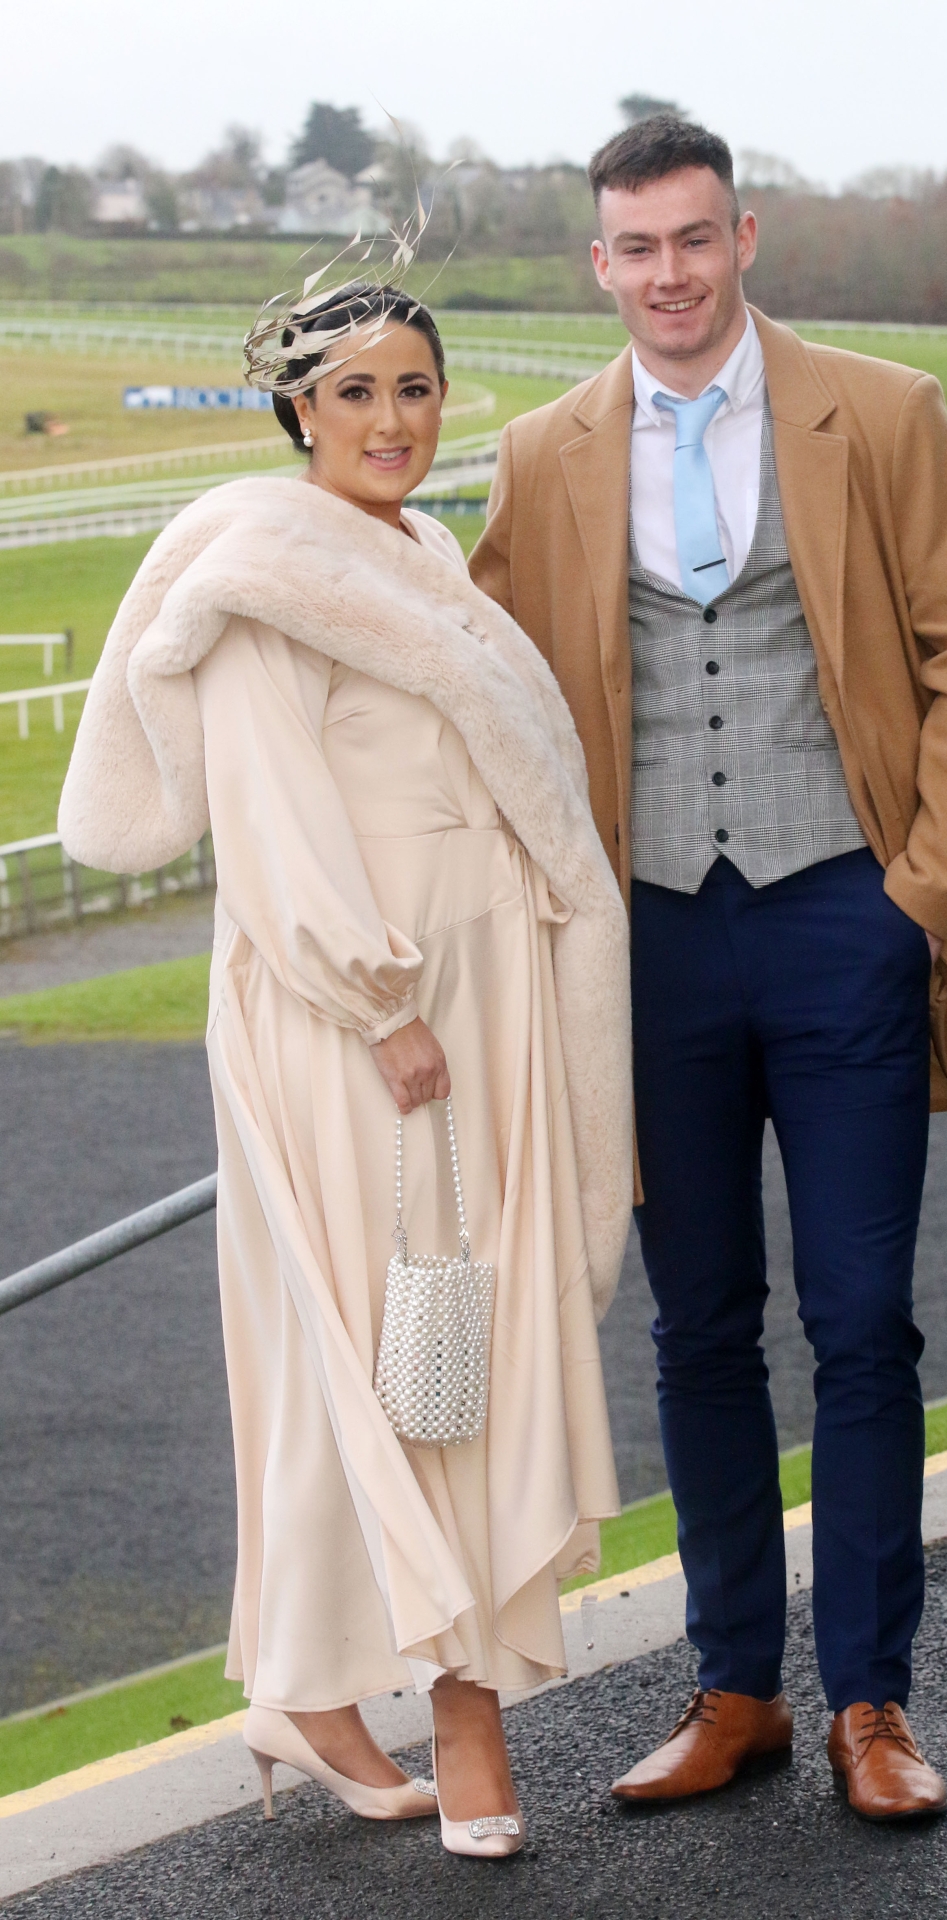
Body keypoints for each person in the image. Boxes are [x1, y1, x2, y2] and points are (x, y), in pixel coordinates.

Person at [470, 117, 947, 1823]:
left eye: (694, 238)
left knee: (863, 1320)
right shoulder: (542, 454)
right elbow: (481, 692)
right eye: (636, 247)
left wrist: (914, 893)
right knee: (699, 1326)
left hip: (841, 921)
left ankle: (874, 1702)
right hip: (650, 946)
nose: (668, 274)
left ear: (745, 238)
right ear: (599, 264)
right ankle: (736, 1690)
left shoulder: (881, 410)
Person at [59, 283, 632, 1860]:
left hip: (484, 997)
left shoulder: (427, 554)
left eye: (417, 388)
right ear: (298, 409)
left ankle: (306, 1687)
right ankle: (464, 1706)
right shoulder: (263, 577)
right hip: (362, 1017)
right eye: (357, 391)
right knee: (407, 1348)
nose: (392, 420)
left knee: (431, 1341)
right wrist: (381, 1006)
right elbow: (272, 818)